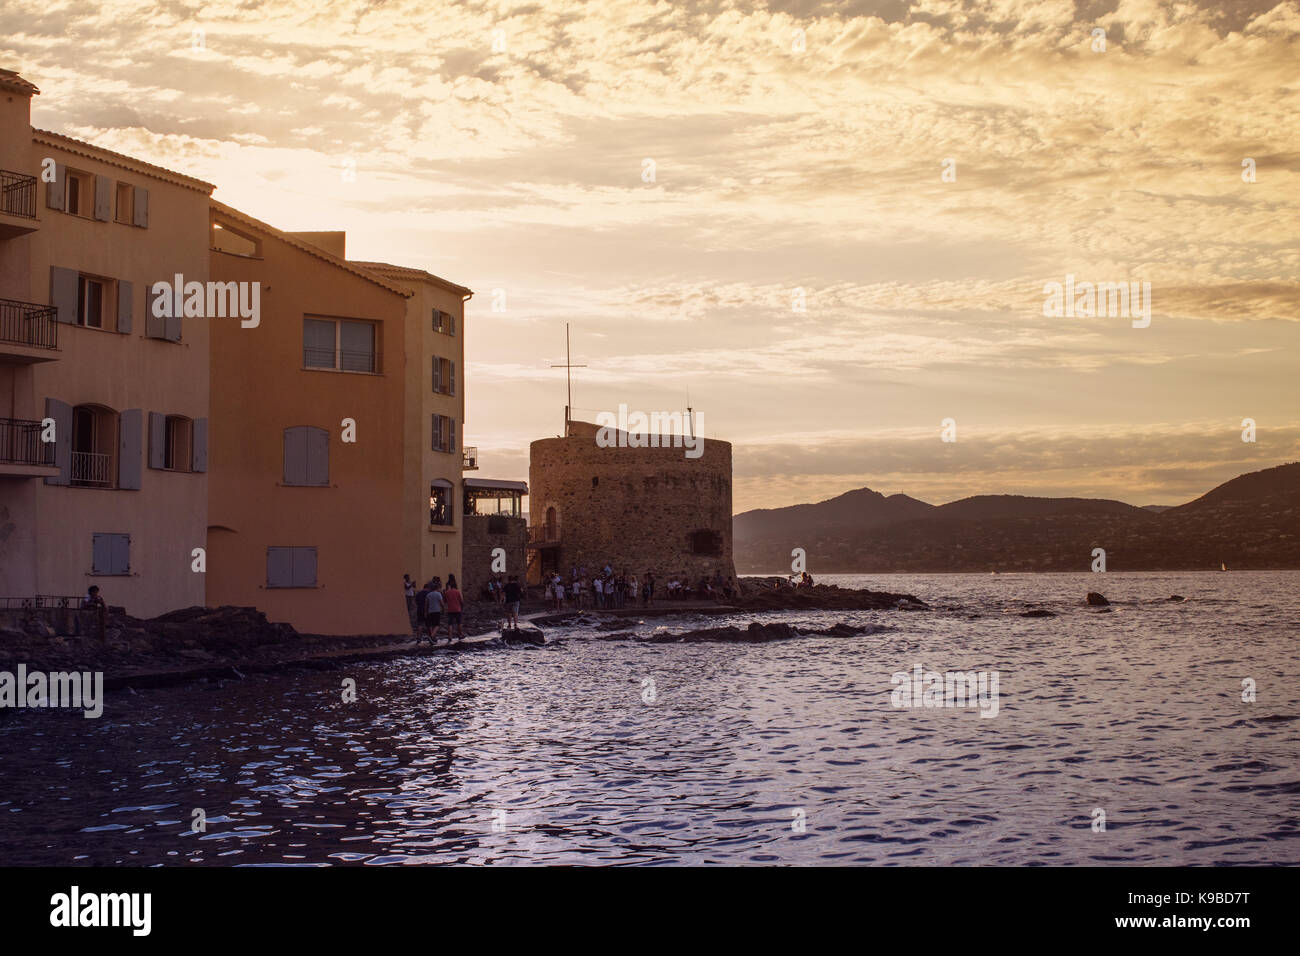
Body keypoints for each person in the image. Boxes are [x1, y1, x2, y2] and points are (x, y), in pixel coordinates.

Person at [444, 574, 464, 643]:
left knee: (450, 624)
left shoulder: (447, 592)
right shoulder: (457, 592)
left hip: (450, 610)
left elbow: (445, 601)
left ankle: (450, 636)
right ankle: (460, 635)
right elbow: (461, 601)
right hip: (457, 609)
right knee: (459, 623)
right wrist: (462, 608)